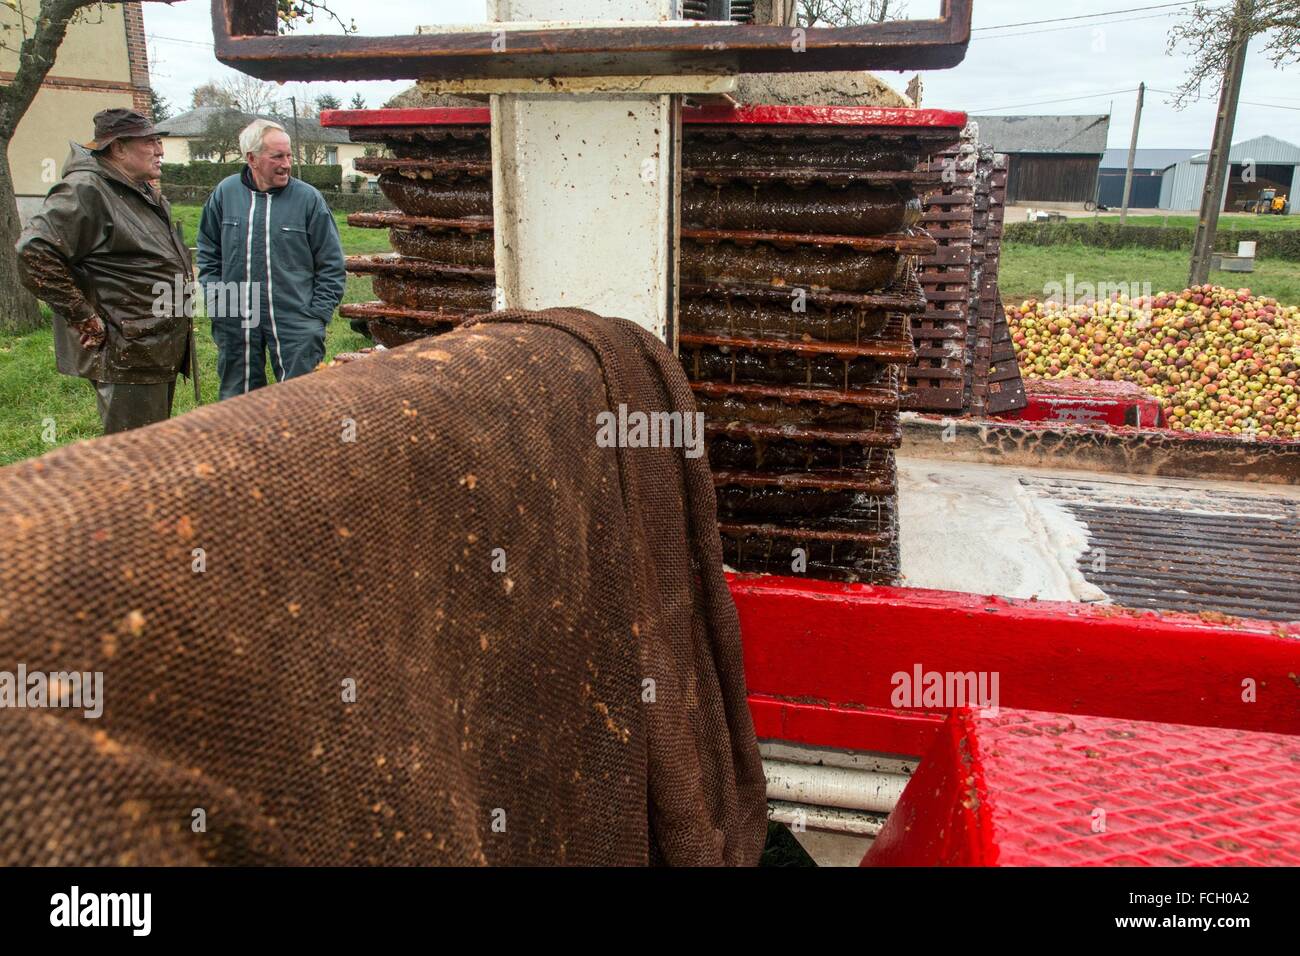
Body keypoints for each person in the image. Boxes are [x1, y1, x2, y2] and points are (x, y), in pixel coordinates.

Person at [16, 108, 195, 435]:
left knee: (148, 448)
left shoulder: (137, 189)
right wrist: (81, 314)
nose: (160, 150)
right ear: (118, 148)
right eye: (150, 142)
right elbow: (34, 251)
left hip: (150, 346)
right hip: (125, 350)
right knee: (132, 458)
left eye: (159, 141)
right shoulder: (87, 189)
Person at [197, 119, 346, 399]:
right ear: (251, 158)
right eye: (277, 156)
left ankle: (297, 444)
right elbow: (208, 251)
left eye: (289, 155)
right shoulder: (225, 193)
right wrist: (219, 302)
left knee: (299, 401)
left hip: (295, 316)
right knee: (237, 400)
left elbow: (332, 263)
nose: (286, 164)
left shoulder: (308, 199)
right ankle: (243, 444)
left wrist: (316, 316)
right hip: (236, 314)